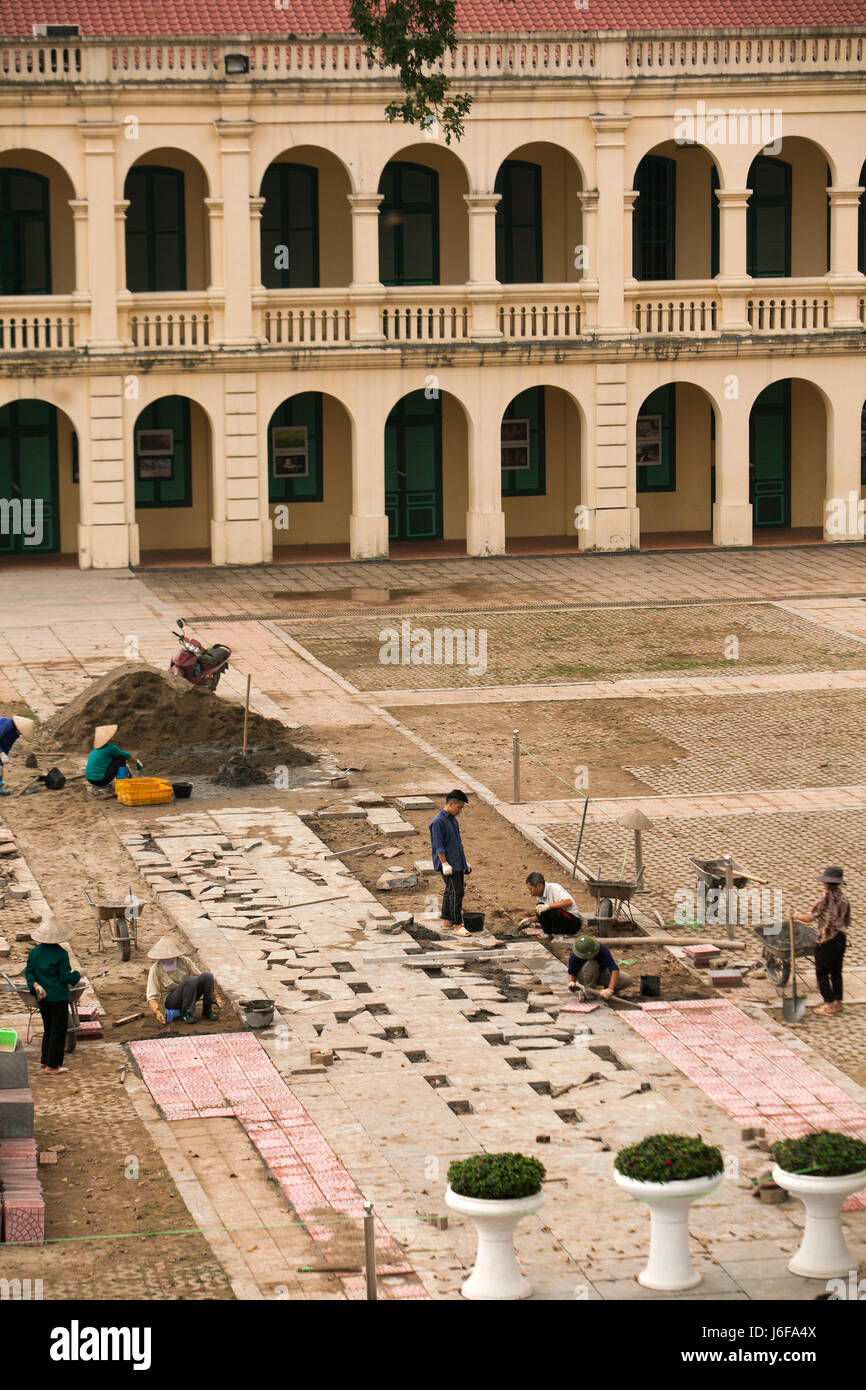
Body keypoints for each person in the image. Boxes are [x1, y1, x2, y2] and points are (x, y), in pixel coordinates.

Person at [24, 921, 81, 1074]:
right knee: (58, 1031)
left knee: (48, 1029)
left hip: (42, 997)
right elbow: (65, 977)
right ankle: (52, 1066)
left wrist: (34, 985)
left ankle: (45, 1060)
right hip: (58, 997)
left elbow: (28, 973)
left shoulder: (34, 952)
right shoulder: (61, 954)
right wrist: (77, 975)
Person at [796, 866, 849, 1017]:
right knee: (836, 972)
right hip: (840, 938)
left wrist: (795, 916)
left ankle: (829, 1004)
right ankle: (838, 1002)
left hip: (827, 940)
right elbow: (846, 920)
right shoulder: (844, 898)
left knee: (822, 973)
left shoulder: (826, 898)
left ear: (826, 883)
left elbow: (809, 917)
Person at [146, 936, 219, 1025]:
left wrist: (216, 995)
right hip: (172, 1001)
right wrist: (157, 1012)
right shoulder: (155, 969)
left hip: (190, 995)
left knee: (207, 976)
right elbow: (152, 996)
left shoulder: (185, 961)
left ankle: (207, 1009)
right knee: (190, 980)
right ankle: (187, 1013)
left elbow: (199, 976)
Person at [429, 789, 472, 937]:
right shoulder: (437, 822)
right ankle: (457, 924)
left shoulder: (452, 819)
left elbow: (457, 844)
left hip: (457, 862)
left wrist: (464, 862)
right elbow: (438, 846)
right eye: (459, 807)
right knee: (456, 892)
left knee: (450, 891)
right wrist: (444, 864)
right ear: (451, 804)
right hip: (448, 864)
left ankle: (447, 920)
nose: (460, 811)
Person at [567, 933, 634, 1000]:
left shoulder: (601, 949)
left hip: (601, 973)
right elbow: (572, 972)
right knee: (591, 964)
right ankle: (590, 994)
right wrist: (572, 982)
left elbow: (614, 969)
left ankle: (606, 994)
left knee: (627, 979)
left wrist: (610, 989)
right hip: (584, 977)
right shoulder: (575, 955)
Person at [522, 871, 582, 936]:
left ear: (539, 885)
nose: (530, 892)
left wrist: (547, 906)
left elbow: (569, 902)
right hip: (561, 921)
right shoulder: (540, 896)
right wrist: (529, 920)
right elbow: (544, 914)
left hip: (572, 923)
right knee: (540, 907)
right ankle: (549, 933)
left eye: (531, 889)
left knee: (553, 910)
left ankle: (559, 935)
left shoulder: (555, 888)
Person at [85, 724, 140, 793]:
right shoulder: (110, 747)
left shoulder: (95, 749)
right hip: (100, 780)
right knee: (121, 758)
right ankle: (121, 783)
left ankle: (102, 784)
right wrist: (137, 762)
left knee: (116, 758)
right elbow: (127, 755)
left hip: (90, 779)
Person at [0, 714, 35, 796]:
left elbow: (6, 746)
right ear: (20, 727)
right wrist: (1, 753)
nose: (21, 734)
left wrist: (3, 757)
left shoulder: (15, 734)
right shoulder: (7, 725)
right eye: (21, 732)